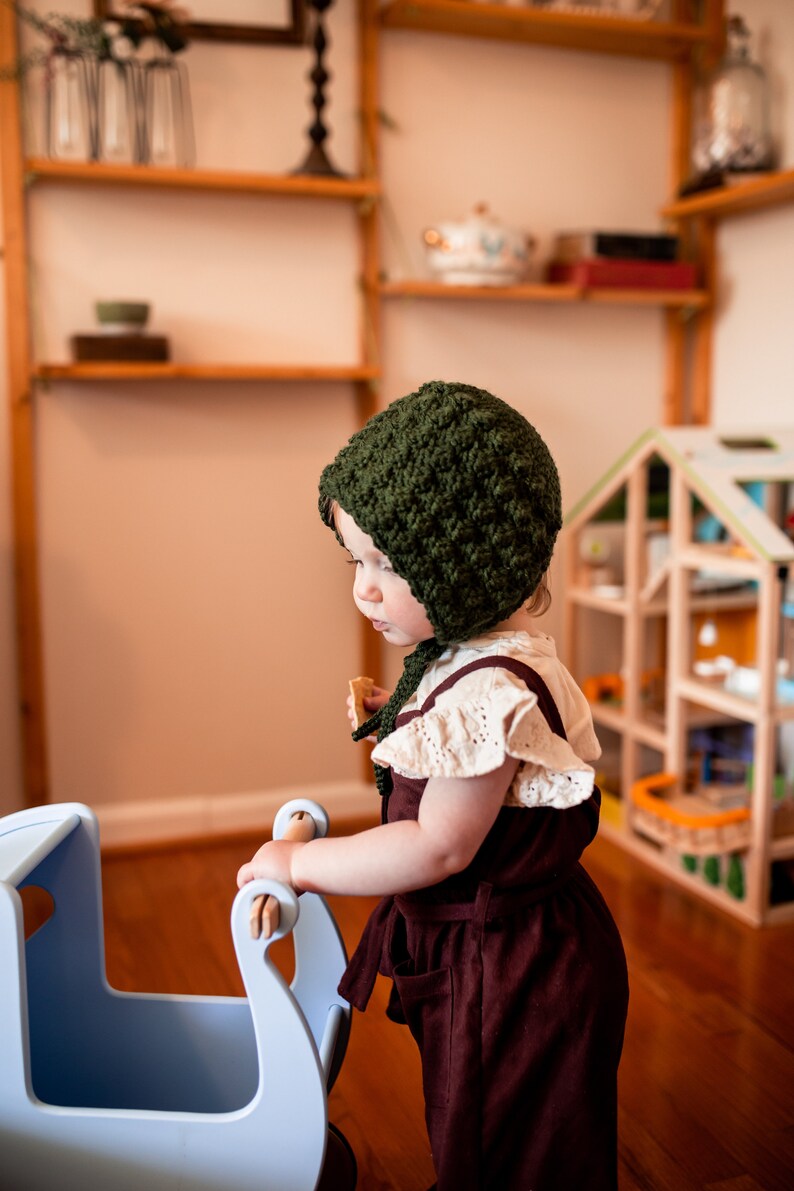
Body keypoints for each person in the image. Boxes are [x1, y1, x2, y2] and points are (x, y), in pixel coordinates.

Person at [238, 380, 629, 1191]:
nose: (364, 588)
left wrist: (298, 865)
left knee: (503, 1136)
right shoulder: (474, 651)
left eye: (392, 563)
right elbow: (464, 747)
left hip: (511, 970)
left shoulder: (491, 690)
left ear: (471, 567)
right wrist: (408, 719)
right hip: (501, 950)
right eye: (358, 558)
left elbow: (436, 843)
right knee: (482, 1121)